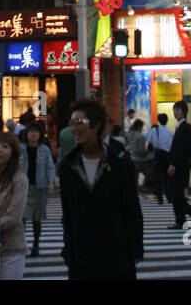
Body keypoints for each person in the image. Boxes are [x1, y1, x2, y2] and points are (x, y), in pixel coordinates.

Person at [57, 98, 143, 280]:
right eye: (72, 123)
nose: (74, 128)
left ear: (95, 125)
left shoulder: (119, 162)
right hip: (82, 259)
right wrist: (69, 252)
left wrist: (134, 251)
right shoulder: (68, 166)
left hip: (115, 256)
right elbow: (68, 214)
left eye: (79, 123)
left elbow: (131, 209)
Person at [0, 131, 28, 279]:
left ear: (13, 152)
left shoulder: (19, 179)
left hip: (10, 249)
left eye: (4, 147)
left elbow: (13, 217)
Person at [20, 122, 55, 257]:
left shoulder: (44, 149)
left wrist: (51, 181)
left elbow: (50, 166)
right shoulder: (21, 148)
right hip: (24, 187)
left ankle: (35, 245)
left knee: (37, 219)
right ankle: (22, 244)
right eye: (31, 132)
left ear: (40, 134)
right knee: (22, 218)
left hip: (39, 187)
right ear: (26, 134)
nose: (33, 135)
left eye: (36, 132)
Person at [167, 101, 191, 229]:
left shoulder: (184, 128)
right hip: (180, 166)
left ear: (182, 111)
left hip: (181, 167)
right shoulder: (180, 127)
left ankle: (181, 220)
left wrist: (173, 164)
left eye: (176, 110)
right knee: (177, 195)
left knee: (177, 195)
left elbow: (181, 149)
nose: (174, 112)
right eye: (174, 109)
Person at [145, 112, 173, 204]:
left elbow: (148, 142)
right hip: (168, 155)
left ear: (158, 120)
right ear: (167, 121)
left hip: (158, 154)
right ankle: (169, 197)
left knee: (158, 177)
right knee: (167, 177)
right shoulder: (170, 132)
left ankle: (160, 197)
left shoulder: (154, 130)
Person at [124, 118, 148, 192]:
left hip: (130, 158)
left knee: (133, 178)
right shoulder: (140, 136)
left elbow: (126, 146)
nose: (142, 129)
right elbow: (141, 151)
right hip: (139, 160)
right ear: (139, 127)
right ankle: (144, 188)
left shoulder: (128, 135)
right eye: (142, 127)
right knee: (148, 172)